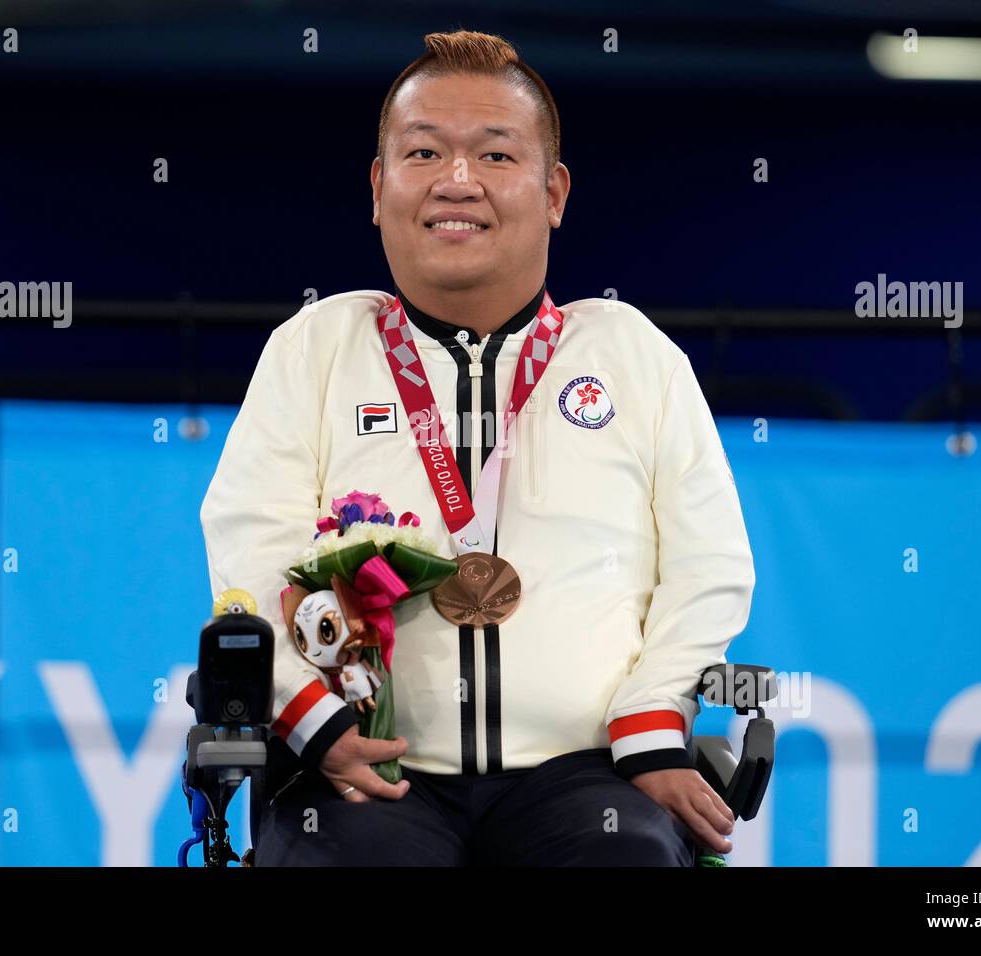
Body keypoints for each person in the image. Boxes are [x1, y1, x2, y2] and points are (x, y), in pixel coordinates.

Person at [200, 28, 755, 866]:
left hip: (585, 773)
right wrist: (313, 718)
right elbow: (251, 558)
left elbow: (708, 569)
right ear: (380, 187)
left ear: (555, 191)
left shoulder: (632, 356)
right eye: (424, 153)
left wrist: (650, 725)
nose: (457, 181)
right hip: (369, 766)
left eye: (496, 157)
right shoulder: (316, 347)